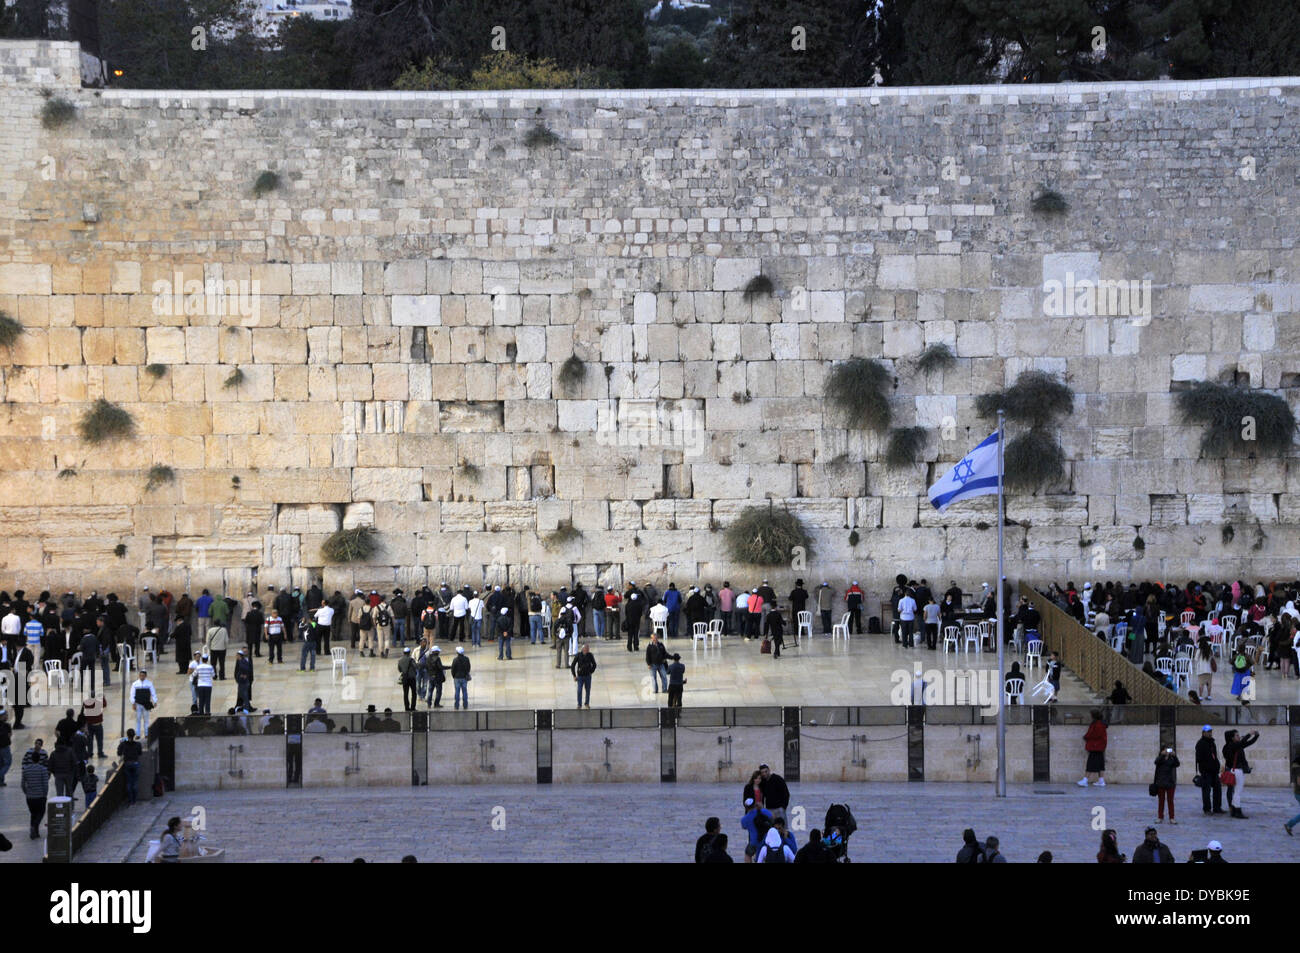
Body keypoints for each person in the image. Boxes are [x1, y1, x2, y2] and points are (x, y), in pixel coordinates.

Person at [1222, 729, 1259, 819]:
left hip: (1236, 770)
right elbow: (1243, 742)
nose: (1239, 737)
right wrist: (1249, 734)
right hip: (1236, 771)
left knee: (1236, 792)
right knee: (1237, 792)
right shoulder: (1230, 746)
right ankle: (1237, 810)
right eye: (1236, 735)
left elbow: (1248, 743)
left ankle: (1234, 810)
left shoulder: (1236, 746)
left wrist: (1256, 736)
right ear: (1232, 738)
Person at [21, 739, 49, 839]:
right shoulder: (43, 770)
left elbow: (22, 784)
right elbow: (45, 784)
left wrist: (27, 792)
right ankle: (34, 827)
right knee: (41, 812)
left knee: (33, 814)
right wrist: (45, 794)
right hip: (40, 795)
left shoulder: (26, 770)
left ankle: (34, 833)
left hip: (30, 797)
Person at [1195, 725, 1224, 816]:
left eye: (1210, 732)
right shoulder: (1200, 743)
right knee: (1206, 791)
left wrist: (1216, 765)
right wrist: (1206, 765)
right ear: (1203, 733)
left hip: (1214, 771)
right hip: (1206, 771)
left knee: (1217, 789)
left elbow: (1214, 756)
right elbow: (1199, 758)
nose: (1210, 733)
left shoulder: (1212, 743)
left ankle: (1217, 807)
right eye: (1208, 732)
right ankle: (1207, 809)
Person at [1078, 708, 1107, 786]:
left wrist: (1086, 737)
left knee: (1090, 763)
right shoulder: (1101, 724)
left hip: (1095, 747)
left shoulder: (1097, 724)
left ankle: (1085, 780)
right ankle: (1101, 781)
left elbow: (1094, 734)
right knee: (1100, 764)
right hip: (1100, 746)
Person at [1153, 745, 1180, 824]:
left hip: (1170, 783)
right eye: (1165, 750)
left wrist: (1175, 756)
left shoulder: (1171, 759)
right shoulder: (1160, 759)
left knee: (1170, 801)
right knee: (1161, 801)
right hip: (1161, 783)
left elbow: (1177, 764)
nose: (1167, 752)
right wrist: (1162, 755)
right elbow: (1156, 762)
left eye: (1168, 750)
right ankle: (1160, 817)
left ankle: (1172, 817)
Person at [117, 728, 144, 805]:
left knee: (129, 782)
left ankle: (130, 799)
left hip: (127, 764)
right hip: (135, 763)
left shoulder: (123, 744)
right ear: (134, 735)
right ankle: (134, 799)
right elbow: (140, 753)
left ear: (127, 735)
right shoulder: (138, 744)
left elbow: (119, 753)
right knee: (135, 782)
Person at [131, 670, 158, 739]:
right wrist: (133, 703)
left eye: (143, 676)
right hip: (138, 704)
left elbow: (153, 693)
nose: (141, 677)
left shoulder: (149, 684)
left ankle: (146, 734)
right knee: (138, 719)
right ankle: (138, 734)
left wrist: (155, 701)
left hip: (146, 704)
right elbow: (132, 694)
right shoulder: (135, 684)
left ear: (145, 676)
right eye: (140, 675)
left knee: (146, 720)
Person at [571, 643, 597, 708]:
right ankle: (579, 704)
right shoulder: (578, 655)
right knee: (579, 690)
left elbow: (594, 664)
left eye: (588, 649)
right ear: (583, 649)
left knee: (588, 690)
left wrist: (591, 671)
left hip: (588, 676)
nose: (588, 650)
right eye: (587, 649)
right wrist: (574, 675)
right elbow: (572, 665)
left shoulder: (590, 655)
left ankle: (587, 703)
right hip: (580, 676)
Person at [398, 648, 418, 712]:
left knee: (405, 693)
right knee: (414, 693)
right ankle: (413, 707)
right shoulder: (411, 659)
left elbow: (399, 669)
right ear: (409, 652)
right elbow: (415, 666)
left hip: (405, 678)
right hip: (412, 678)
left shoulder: (400, 660)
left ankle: (407, 707)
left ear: (403, 652)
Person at [451, 646, 471, 710]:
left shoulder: (455, 660)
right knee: (464, 691)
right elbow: (468, 668)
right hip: (464, 677)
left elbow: (453, 669)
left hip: (457, 678)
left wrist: (454, 676)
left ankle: (456, 706)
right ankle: (465, 705)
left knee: (457, 692)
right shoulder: (467, 659)